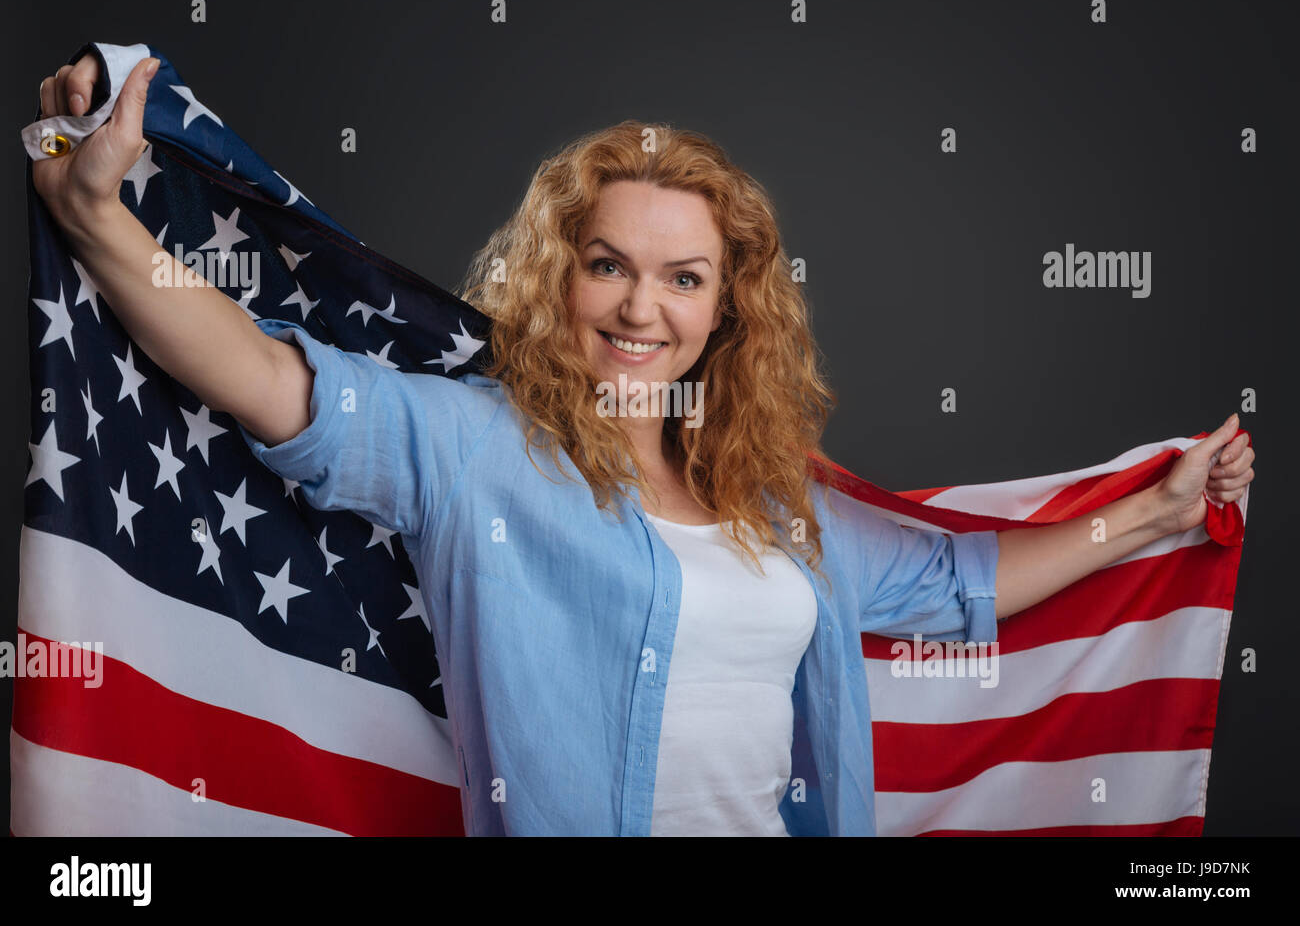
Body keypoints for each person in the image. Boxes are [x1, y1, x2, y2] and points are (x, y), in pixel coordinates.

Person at [31, 52, 1257, 836]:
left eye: (682, 277)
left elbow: (961, 584)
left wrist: (1154, 512)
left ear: (726, 308)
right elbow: (264, 377)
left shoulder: (775, 504)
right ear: (558, 277)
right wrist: (99, 225)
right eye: (607, 265)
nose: (637, 308)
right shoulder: (471, 450)